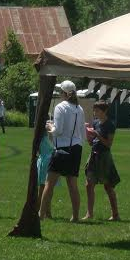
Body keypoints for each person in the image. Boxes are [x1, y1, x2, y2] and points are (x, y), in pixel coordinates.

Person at [39, 80, 85, 221]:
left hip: (61, 149)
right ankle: (75, 216)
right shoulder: (79, 108)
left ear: (64, 93)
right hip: (76, 148)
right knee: (72, 185)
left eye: (60, 91)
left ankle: (40, 214)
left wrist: (49, 128)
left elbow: (58, 131)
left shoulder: (60, 107)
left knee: (49, 183)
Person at [83, 101, 120, 221]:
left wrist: (97, 135)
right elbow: (92, 142)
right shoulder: (95, 122)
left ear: (104, 111)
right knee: (89, 185)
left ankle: (115, 215)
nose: (95, 113)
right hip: (94, 155)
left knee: (108, 186)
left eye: (97, 110)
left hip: (104, 157)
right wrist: (89, 136)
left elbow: (108, 144)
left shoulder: (110, 125)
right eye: (94, 110)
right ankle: (89, 214)